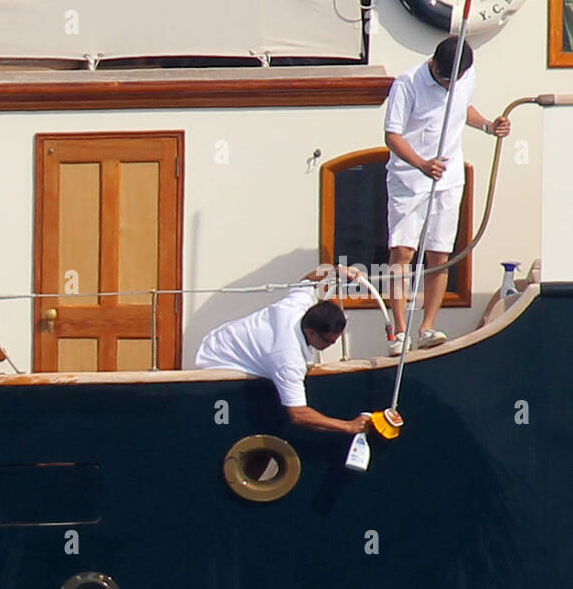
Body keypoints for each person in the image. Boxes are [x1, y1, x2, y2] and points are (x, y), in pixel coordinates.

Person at [383, 37, 510, 355]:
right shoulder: (407, 84)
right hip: (410, 179)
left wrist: (487, 126)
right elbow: (392, 135)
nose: (449, 84)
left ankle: (426, 328)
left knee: (439, 255)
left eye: (455, 79)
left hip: (449, 181)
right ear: (433, 64)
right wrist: (422, 164)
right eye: (444, 79)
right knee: (403, 253)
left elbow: (464, 108)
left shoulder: (465, 76)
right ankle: (400, 332)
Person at [194, 267, 369, 435]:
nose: (333, 344)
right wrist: (347, 426)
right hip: (217, 360)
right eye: (329, 341)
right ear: (311, 332)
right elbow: (298, 414)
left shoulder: (298, 305)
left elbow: (308, 279)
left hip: (225, 337)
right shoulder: (288, 359)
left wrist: (336, 270)